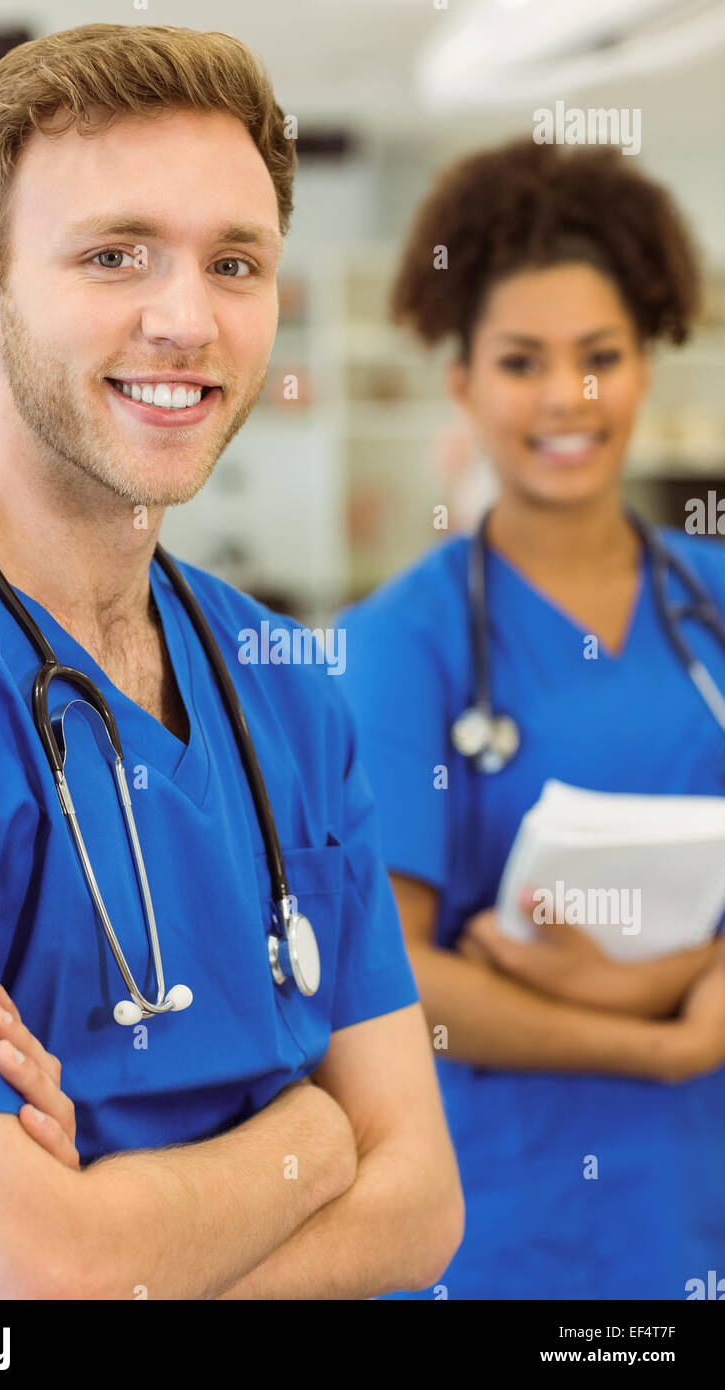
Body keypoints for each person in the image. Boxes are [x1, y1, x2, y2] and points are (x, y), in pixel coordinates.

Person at [0, 24, 463, 1301]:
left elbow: (422, 1210)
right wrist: (315, 1132)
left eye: (233, 262)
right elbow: (32, 1280)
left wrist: (129, 1228)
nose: (185, 319)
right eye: (113, 254)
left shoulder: (281, 680)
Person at [336, 138, 725, 1300]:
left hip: (698, 1201)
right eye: (521, 361)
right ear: (461, 382)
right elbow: (389, 976)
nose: (566, 397)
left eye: (598, 356)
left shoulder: (711, 606)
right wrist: (664, 1035)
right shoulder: (398, 646)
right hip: (504, 1219)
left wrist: (621, 985)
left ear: (645, 366)